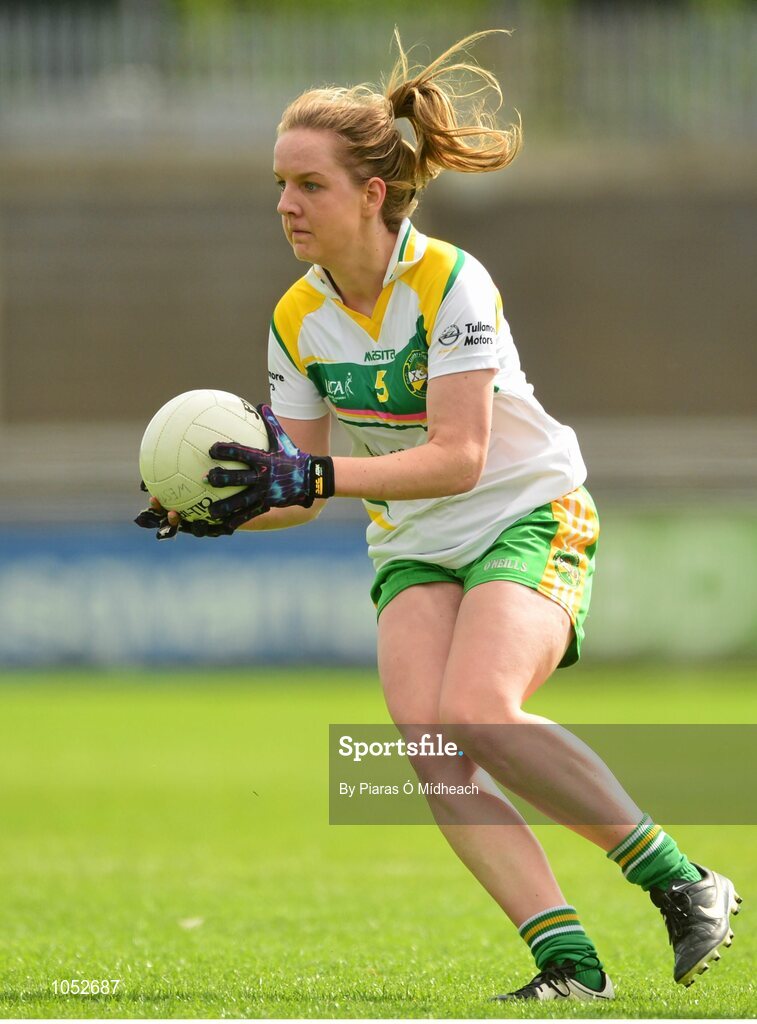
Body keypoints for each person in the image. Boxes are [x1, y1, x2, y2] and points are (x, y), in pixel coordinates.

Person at [136, 31, 741, 1002]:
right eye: (278, 184)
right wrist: (222, 509)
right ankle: (570, 965)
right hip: (415, 540)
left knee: (477, 713)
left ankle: (681, 880)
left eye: (309, 184)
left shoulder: (451, 281)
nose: (285, 204)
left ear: (372, 192)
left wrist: (308, 480)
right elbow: (292, 482)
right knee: (428, 743)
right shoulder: (296, 316)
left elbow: (459, 457)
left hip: (523, 513)